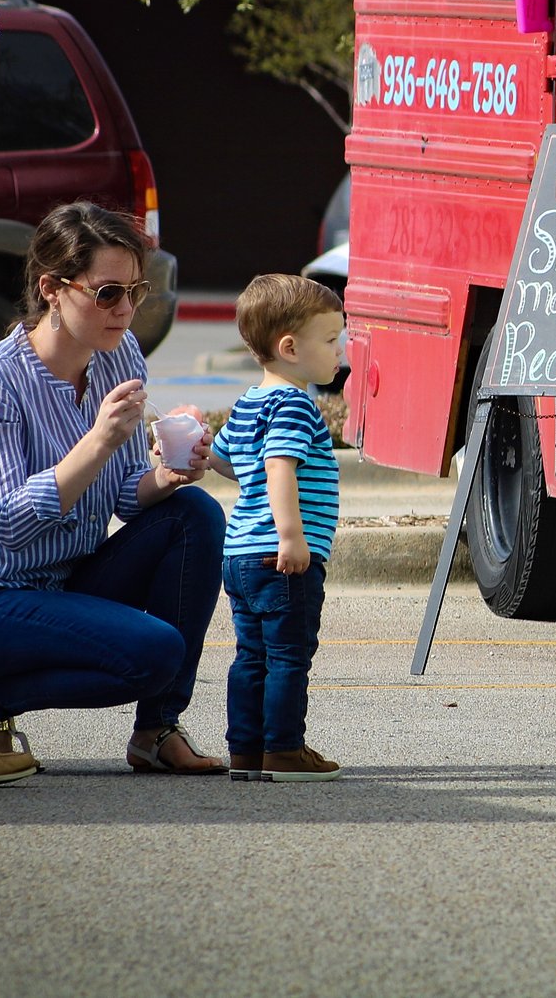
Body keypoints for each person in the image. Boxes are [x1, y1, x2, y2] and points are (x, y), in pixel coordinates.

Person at [0, 202, 229, 779]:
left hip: (58, 585)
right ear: (52, 289)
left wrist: (169, 474)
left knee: (194, 514)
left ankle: (156, 731)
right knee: (155, 652)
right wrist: (100, 440)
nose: (127, 309)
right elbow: (10, 521)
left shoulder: (120, 354)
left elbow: (124, 501)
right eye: (108, 293)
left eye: (136, 290)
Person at [212, 274, 347, 781]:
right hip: (280, 555)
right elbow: (279, 466)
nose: (341, 350)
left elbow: (225, 462)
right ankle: (284, 749)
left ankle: (246, 751)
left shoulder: (249, 402)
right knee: (289, 656)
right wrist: (292, 535)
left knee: (251, 656)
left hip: (241, 553)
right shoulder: (294, 403)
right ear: (289, 347)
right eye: (331, 340)